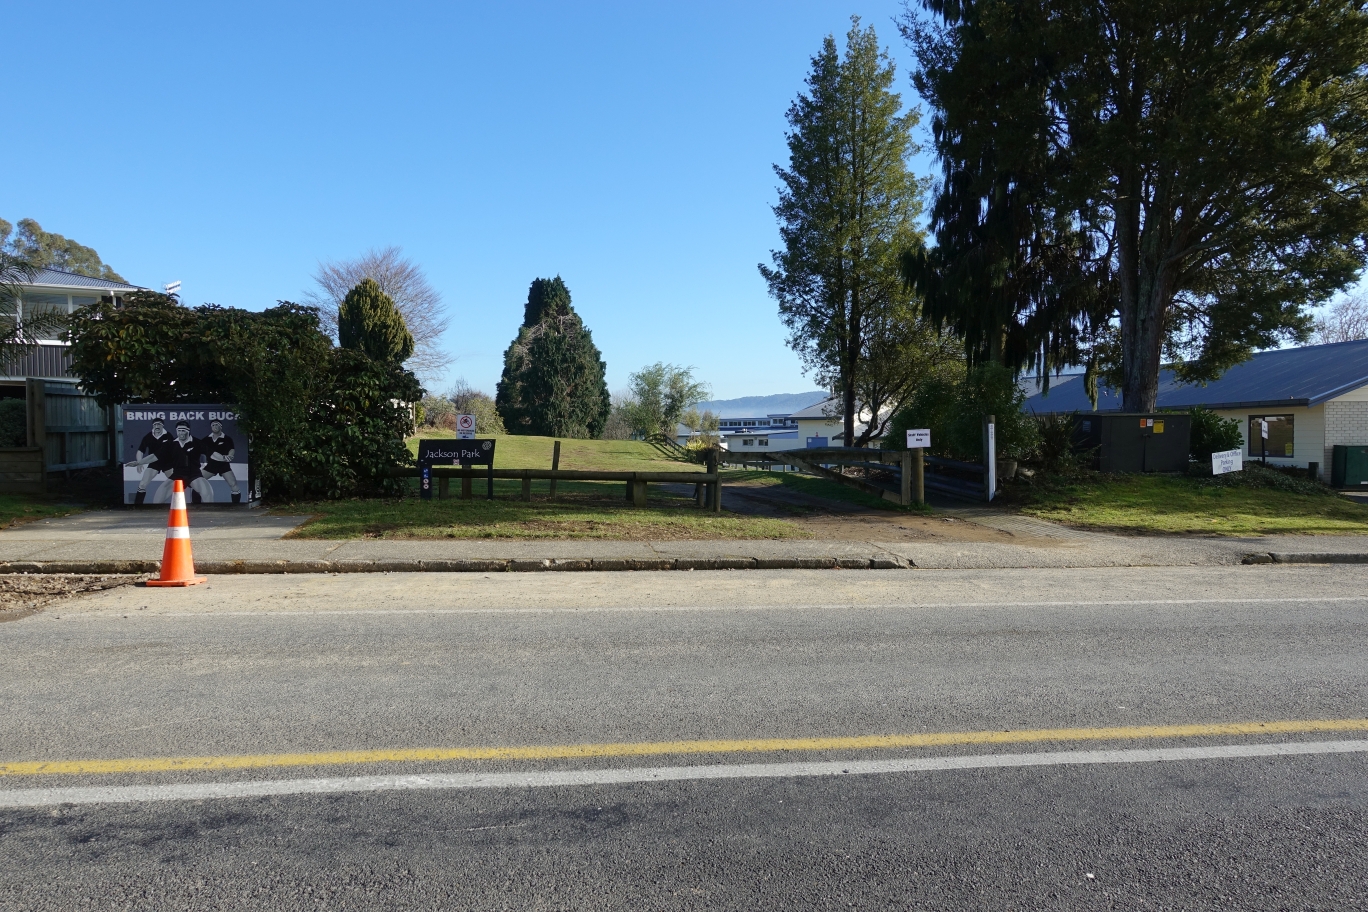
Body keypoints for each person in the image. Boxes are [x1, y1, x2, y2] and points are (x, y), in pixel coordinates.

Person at [153, 422, 214, 504]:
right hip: (177, 475)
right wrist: (139, 462)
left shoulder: (197, 442)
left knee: (207, 492)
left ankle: (209, 515)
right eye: (179, 430)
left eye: (183, 430)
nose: (181, 433)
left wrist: (224, 458)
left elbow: (212, 453)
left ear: (188, 431)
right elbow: (155, 456)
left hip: (194, 474)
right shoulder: (171, 443)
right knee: (158, 497)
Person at [124, 419, 172, 505]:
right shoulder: (148, 437)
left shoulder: (168, 436)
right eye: (155, 424)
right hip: (153, 462)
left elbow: (157, 455)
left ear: (162, 426)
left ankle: (175, 503)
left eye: (159, 424)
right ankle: (137, 506)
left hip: (167, 462)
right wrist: (139, 461)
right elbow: (140, 450)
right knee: (142, 484)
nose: (157, 426)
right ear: (153, 426)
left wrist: (140, 462)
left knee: (177, 481)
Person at [198, 419, 242, 503]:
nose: (215, 427)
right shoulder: (206, 439)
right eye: (213, 425)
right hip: (211, 466)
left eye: (217, 425)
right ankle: (196, 506)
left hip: (224, 466)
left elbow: (231, 450)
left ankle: (236, 506)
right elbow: (198, 449)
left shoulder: (227, 439)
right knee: (197, 482)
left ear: (221, 427)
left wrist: (230, 455)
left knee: (234, 485)